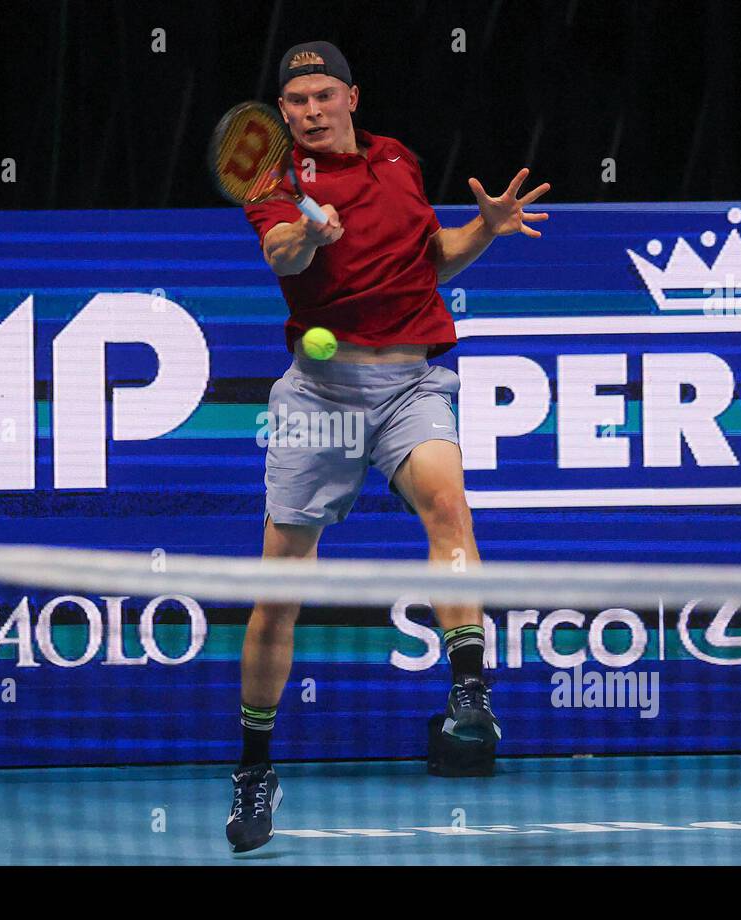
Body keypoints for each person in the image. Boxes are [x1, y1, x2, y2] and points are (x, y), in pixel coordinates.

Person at [226, 40, 549, 853]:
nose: (307, 111)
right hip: (320, 396)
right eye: (294, 101)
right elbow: (279, 253)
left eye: (321, 96)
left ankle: (468, 690)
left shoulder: (398, 161)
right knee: (279, 590)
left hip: (411, 383)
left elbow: (428, 260)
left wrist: (486, 228)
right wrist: (309, 235)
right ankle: (255, 767)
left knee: (449, 505)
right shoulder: (274, 182)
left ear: (351, 97)